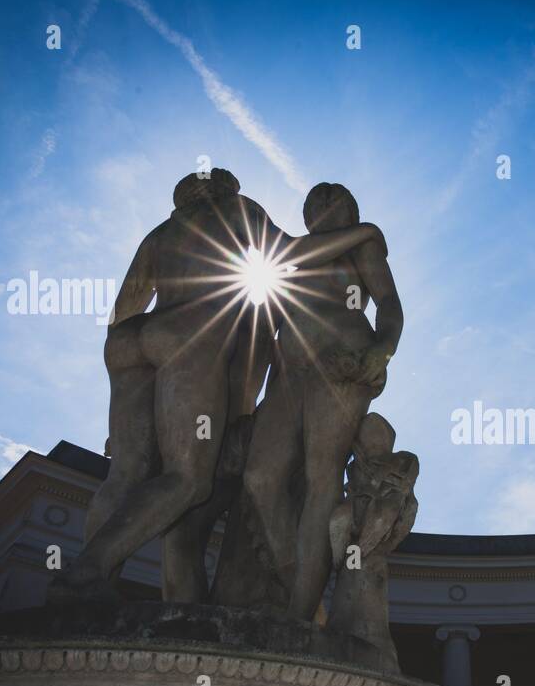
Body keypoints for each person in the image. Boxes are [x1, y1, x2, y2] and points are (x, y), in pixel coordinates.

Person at [49, 169, 385, 602]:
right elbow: (291, 255)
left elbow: (124, 308)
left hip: (127, 343)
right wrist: (363, 232)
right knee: (188, 481)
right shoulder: (237, 211)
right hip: (187, 332)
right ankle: (86, 573)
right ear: (228, 189)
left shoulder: (161, 233)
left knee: (126, 473)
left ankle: (90, 589)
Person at [236, 182, 404, 621]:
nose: (324, 205)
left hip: (341, 353)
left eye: (334, 200)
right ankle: (298, 582)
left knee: (321, 476)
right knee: (259, 476)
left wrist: (382, 348)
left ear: (349, 208)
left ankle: (299, 611)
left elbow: (388, 303)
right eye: (316, 201)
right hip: (289, 365)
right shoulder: (308, 248)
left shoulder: (361, 251)